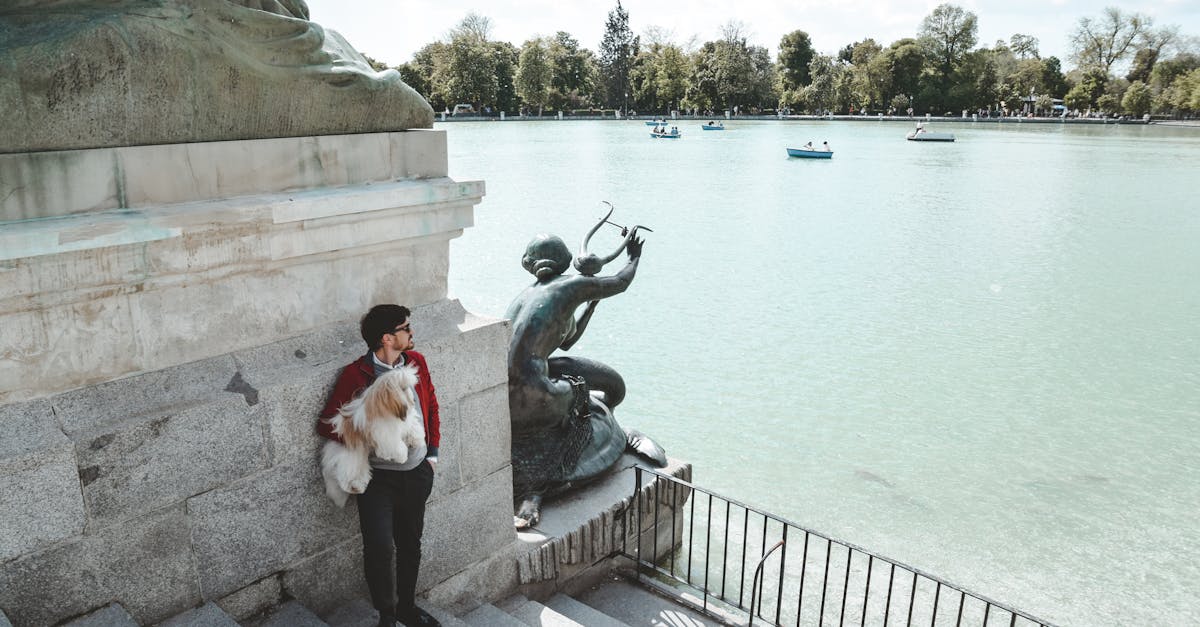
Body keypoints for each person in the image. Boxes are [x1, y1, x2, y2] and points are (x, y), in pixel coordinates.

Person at [318, 304, 442, 627]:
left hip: (416, 474)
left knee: (410, 545)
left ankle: (407, 610)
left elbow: (431, 405)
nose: (411, 332)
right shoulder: (356, 374)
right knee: (379, 547)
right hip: (376, 482)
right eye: (406, 328)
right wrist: (368, 429)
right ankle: (386, 615)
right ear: (388, 338)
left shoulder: (417, 363)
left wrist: (433, 455)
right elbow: (327, 424)